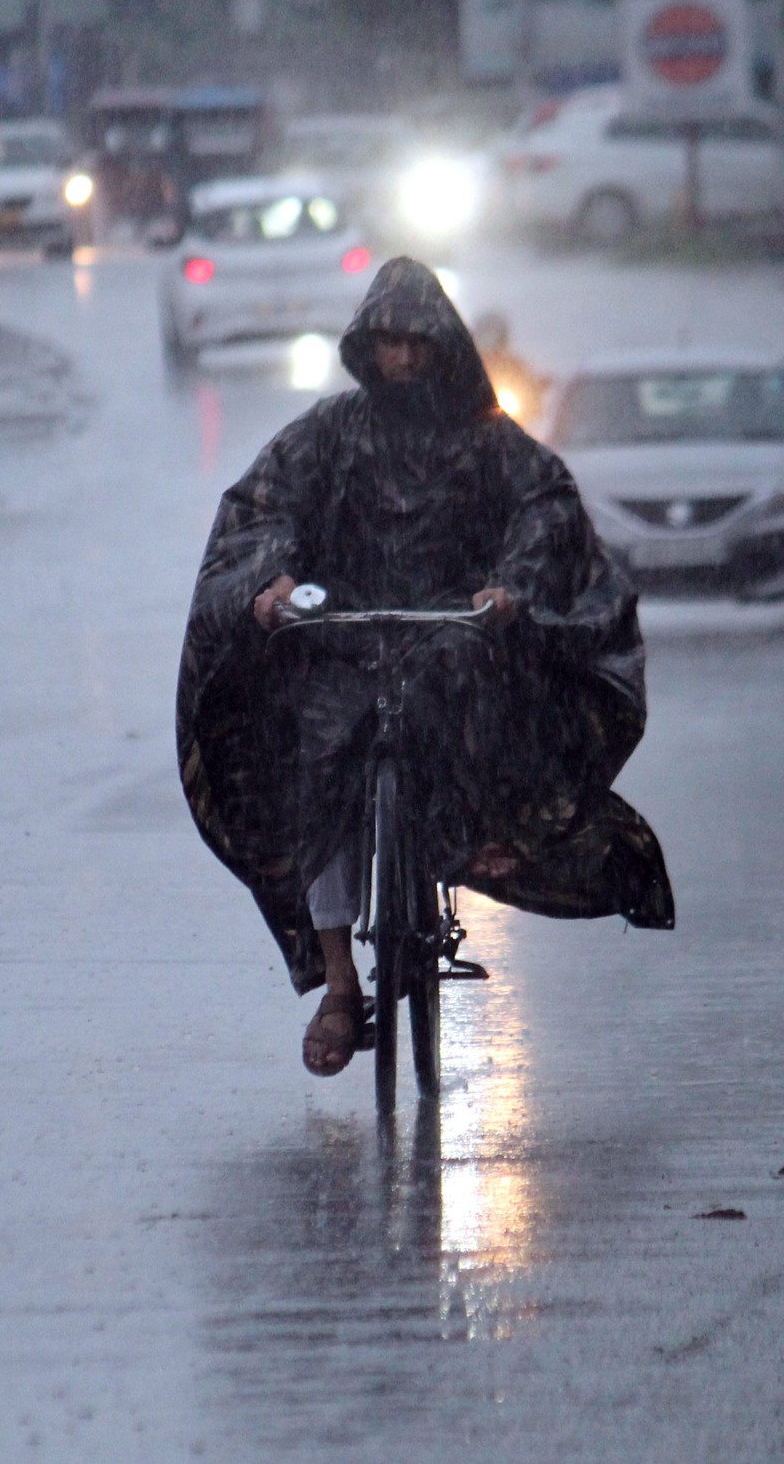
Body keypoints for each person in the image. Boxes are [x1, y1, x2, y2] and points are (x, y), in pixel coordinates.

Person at [176, 257, 674, 1077]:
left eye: (415, 343)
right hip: (346, 629)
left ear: (442, 347)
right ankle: (342, 983)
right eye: (386, 344)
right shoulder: (330, 432)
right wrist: (269, 584)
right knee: (317, 764)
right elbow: (261, 507)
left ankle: (472, 833)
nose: (400, 360)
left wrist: (511, 588)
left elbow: (546, 505)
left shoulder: (485, 438)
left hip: (450, 627)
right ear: (365, 350)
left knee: (476, 704)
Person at [471, 310, 551, 426]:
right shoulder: (465, 360)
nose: (489, 340)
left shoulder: (514, 364)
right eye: (485, 335)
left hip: (507, 418)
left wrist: (534, 391)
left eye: (493, 335)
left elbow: (527, 386)